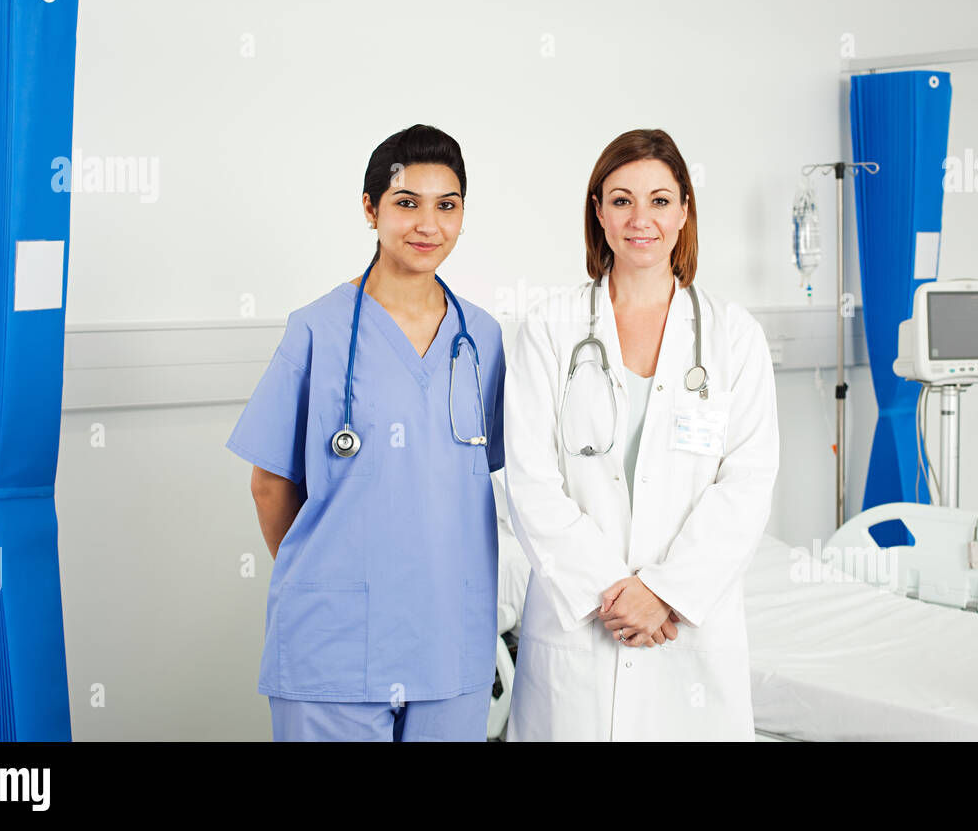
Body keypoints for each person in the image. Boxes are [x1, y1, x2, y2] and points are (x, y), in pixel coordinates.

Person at [226, 124, 505, 741]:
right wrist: (325, 579)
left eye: (447, 205)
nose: (427, 224)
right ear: (370, 208)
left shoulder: (481, 339)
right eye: (407, 203)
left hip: (450, 643)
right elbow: (269, 485)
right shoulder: (316, 330)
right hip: (335, 642)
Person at [503, 128, 779, 741]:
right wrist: (615, 593)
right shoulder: (549, 328)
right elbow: (530, 481)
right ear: (598, 212)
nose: (640, 219)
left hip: (684, 629)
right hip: (582, 628)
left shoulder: (733, 336)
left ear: (684, 211)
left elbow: (748, 483)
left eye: (659, 200)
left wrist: (663, 592)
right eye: (621, 200)